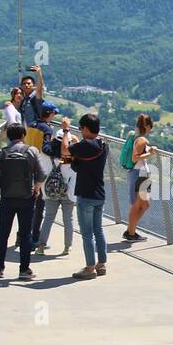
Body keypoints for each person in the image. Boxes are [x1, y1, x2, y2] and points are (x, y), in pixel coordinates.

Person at [0, 123, 47, 281]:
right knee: (25, 234)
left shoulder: (0, 154)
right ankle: (24, 269)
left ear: (8, 137)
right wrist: (35, 189)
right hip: (26, 199)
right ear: (24, 135)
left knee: (3, 233)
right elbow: (42, 175)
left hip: (7, 198)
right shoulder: (31, 151)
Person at [63, 112, 109, 279]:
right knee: (99, 229)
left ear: (88, 129)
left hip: (85, 194)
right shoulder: (103, 145)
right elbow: (86, 161)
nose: (80, 131)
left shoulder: (83, 147)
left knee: (87, 233)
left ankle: (89, 268)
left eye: (81, 128)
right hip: (99, 193)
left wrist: (66, 131)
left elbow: (65, 150)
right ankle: (101, 264)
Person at [36, 114, 76, 255]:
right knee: (68, 220)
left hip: (50, 191)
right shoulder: (72, 158)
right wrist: (68, 133)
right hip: (68, 193)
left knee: (48, 218)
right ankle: (67, 246)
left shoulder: (45, 155)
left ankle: (41, 246)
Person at [29, 100, 61, 248]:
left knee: (30, 204)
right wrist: (59, 153)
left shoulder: (32, 124)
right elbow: (46, 149)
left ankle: (23, 235)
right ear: (49, 113)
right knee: (40, 205)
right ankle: (35, 237)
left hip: (29, 165)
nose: (55, 116)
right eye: (54, 113)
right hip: (41, 168)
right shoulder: (47, 129)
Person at [122, 113, 157, 242]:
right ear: (147, 126)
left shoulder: (134, 136)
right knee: (138, 205)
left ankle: (131, 230)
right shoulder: (142, 140)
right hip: (139, 174)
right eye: (150, 127)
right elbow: (135, 157)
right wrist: (150, 152)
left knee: (144, 204)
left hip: (137, 174)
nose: (150, 130)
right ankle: (131, 232)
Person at [19, 64, 46, 153]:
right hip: (25, 131)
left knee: (35, 153)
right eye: (24, 84)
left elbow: (40, 88)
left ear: (33, 85)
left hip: (35, 130)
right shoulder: (23, 100)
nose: (27, 85)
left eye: (29, 83)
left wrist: (39, 73)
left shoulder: (35, 96)